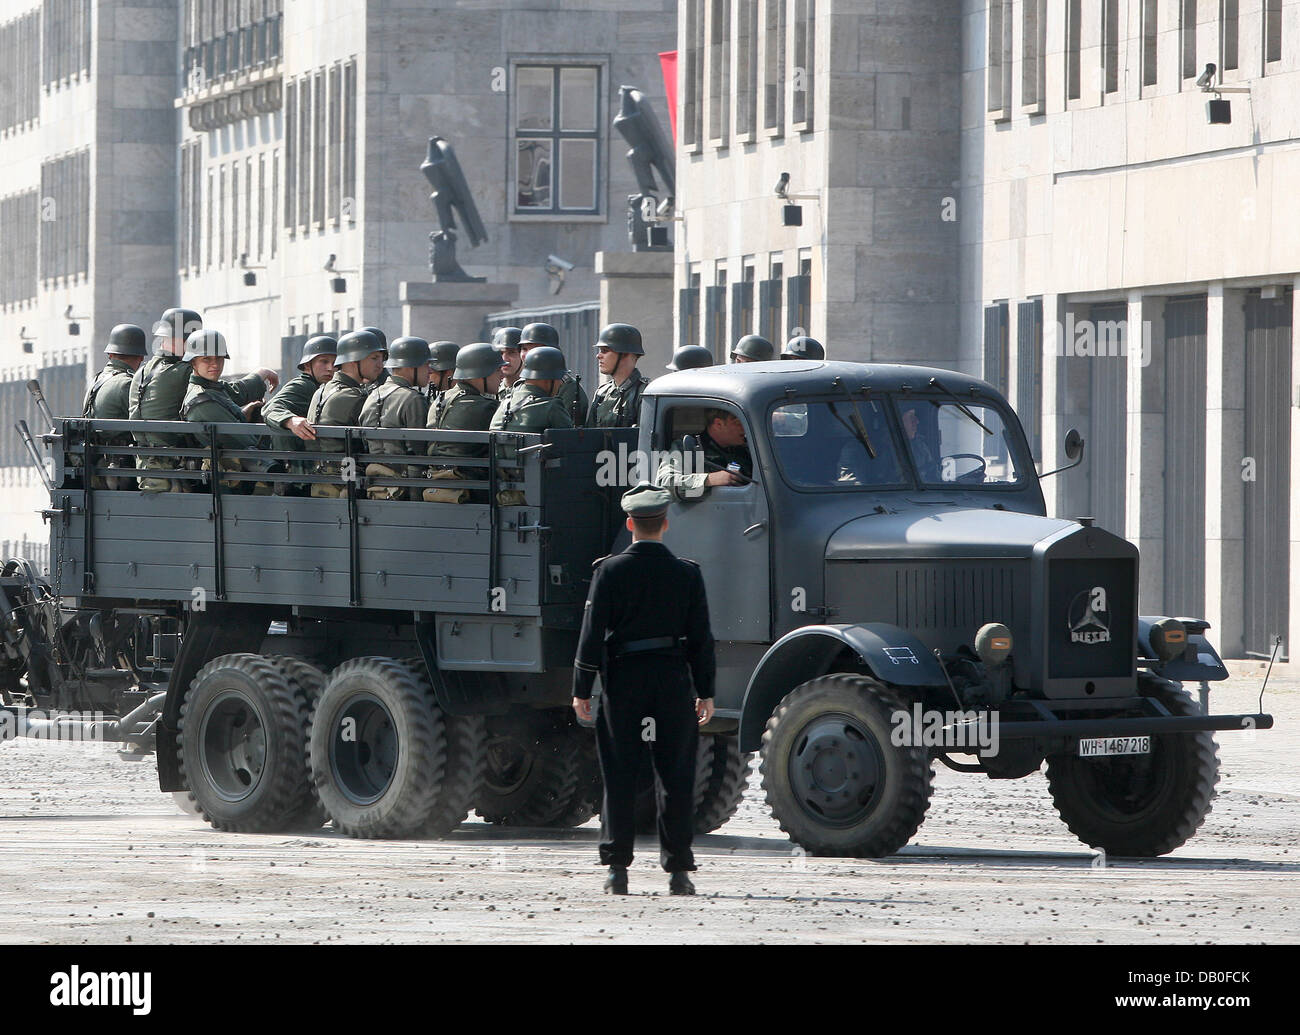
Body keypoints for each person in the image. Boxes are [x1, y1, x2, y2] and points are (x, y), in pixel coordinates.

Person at [572, 482, 716, 896]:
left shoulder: (609, 571)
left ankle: (617, 870)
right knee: (676, 775)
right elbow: (701, 638)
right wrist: (704, 690)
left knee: (619, 773)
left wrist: (583, 686)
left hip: (624, 678)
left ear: (630, 522)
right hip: (672, 679)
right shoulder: (687, 573)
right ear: (666, 524)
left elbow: (591, 635)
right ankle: (678, 872)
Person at [130, 308, 276, 492]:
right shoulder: (183, 371)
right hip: (174, 468)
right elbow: (232, 393)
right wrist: (260, 373)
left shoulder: (142, 372)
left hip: (145, 467)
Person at [179, 330, 274, 493]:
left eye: (219, 358)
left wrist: (263, 372)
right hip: (233, 485)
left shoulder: (212, 388)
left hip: (240, 478)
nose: (215, 365)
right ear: (193, 362)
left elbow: (238, 391)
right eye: (206, 359)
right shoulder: (202, 400)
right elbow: (246, 441)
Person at [490, 345, 574, 506]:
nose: (560, 384)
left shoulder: (504, 403)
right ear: (546, 379)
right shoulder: (551, 406)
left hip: (503, 492)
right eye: (558, 378)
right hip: (537, 494)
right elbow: (571, 448)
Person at [305, 329, 384, 497]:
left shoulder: (321, 390)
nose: (380, 364)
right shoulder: (354, 396)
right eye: (374, 358)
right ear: (353, 361)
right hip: (346, 484)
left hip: (321, 480)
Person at [423, 342, 504, 503]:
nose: (501, 375)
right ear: (481, 373)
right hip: (472, 491)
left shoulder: (440, 399)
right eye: (497, 370)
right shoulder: (486, 407)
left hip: (438, 485)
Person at [359, 336, 432, 500]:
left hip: (376, 487)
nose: (430, 370)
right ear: (410, 366)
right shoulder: (413, 399)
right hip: (408, 491)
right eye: (426, 364)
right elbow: (421, 449)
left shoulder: (371, 396)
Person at [83, 324, 148, 488]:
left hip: (100, 463)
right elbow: (147, 425)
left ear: (110, 354)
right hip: (121, 467)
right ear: (140, 358)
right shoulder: (128, 384)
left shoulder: (97, 380)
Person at [656, 408, 752, 501]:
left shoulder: (747, 450)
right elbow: (665, 484)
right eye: (738, 423)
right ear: (718, 424)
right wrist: (709, 479)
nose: (744, 428)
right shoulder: (685, 448)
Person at [511, 322, 588, 426]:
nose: (528, 354)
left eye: (536, 349)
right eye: (524, 349)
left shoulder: (569, 388)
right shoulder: (519, 385)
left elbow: (568, 430)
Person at [264, 335, 337, 442]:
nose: (330, 368)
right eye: (324, 361)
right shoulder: (303, 385)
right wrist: (291, 421)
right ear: (308, 365)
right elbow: (270, 408)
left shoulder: (321, 387)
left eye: (334, 363)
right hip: (289, 456)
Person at [587, 323, 649, 428]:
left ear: (625, 353)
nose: (598, 356)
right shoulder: (602, 393)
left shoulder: (645, 394)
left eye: (605, 351)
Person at [425, 340, 460, 425]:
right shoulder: (431, 395)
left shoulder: (465, 400)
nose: (428, 373)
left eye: (432, 371)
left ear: (449, 373)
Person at [493, 326, 523, 401]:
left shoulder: (532, 390)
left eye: (511, 352)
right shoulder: (489, 390)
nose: (504, 359)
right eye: (500, 353)